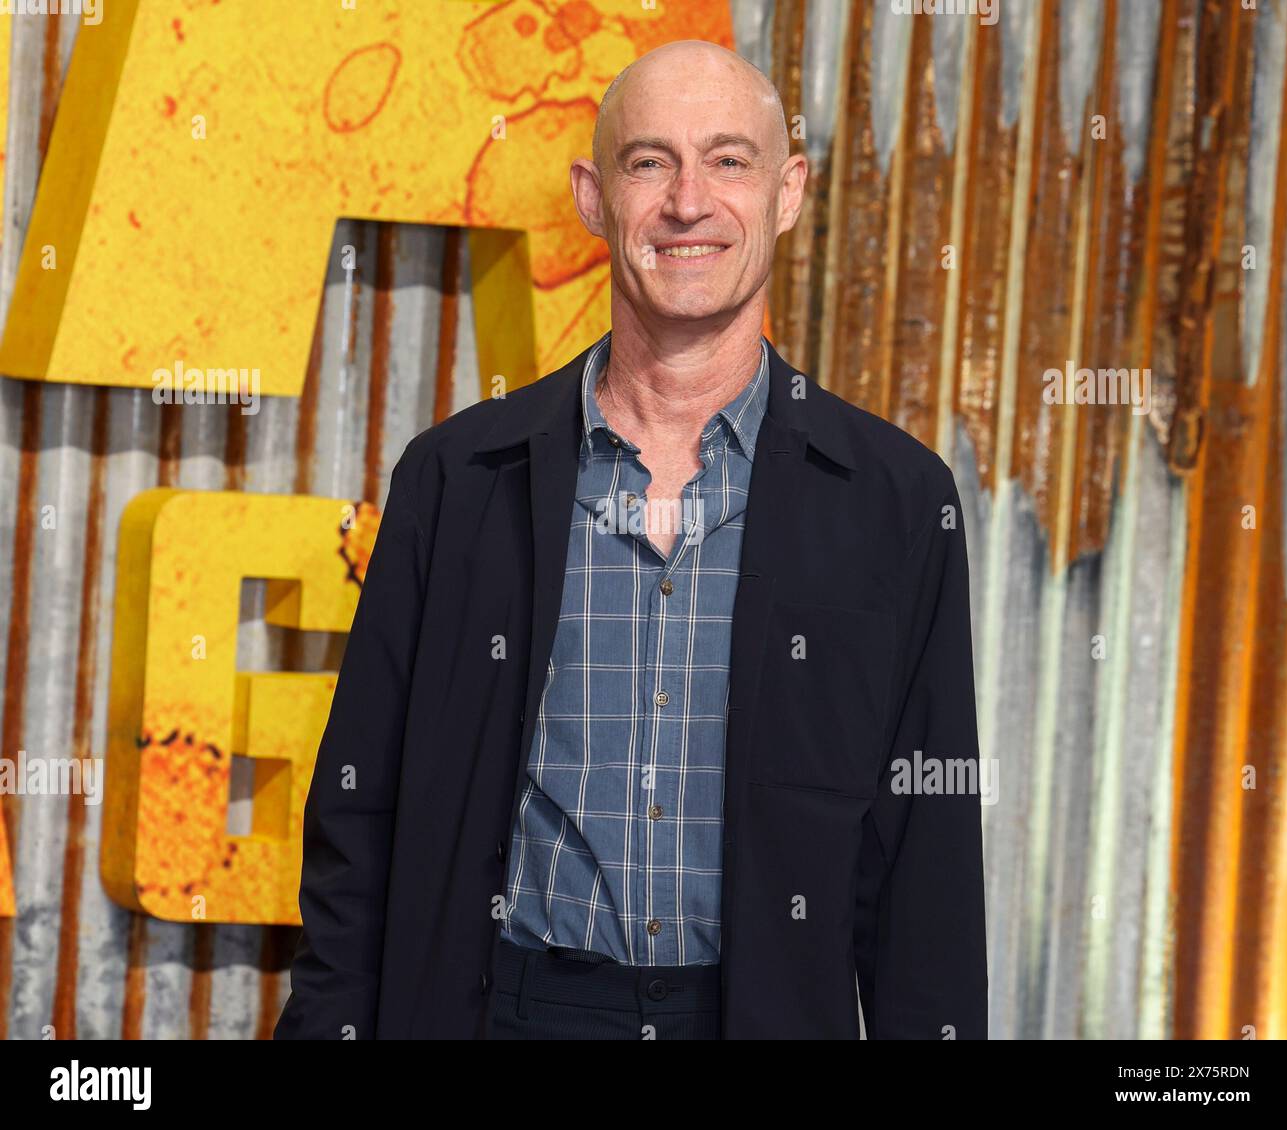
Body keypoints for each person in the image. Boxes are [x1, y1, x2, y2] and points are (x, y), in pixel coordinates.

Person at [275, 38, 987, 1041]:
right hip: (507, 1011)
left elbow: (926, 869)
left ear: (787, 192)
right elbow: (359, 819)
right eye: (649, 161)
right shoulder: (457, 478)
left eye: (728, 160)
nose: (687, 201)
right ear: (592, 196)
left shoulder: (897, 502)